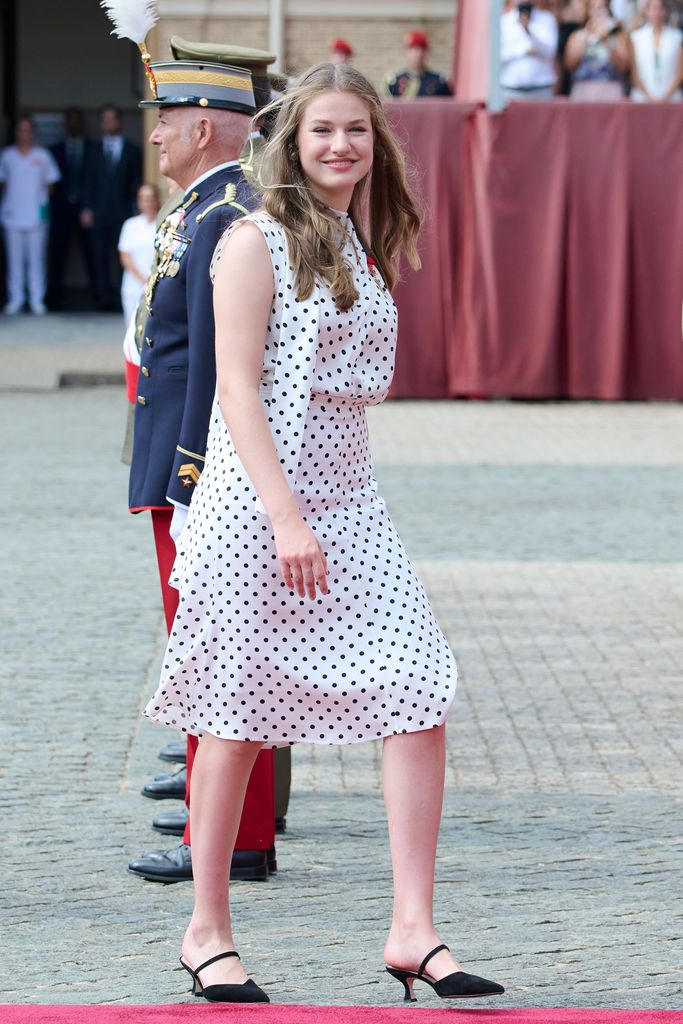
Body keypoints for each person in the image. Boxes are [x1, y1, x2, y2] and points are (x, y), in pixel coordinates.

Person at [143, 61, 505, 1005]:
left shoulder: (358, 240)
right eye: (320, 132)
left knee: (418, 690)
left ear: (374, 144)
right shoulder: (250, 239)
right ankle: (207, 930)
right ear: (290, 145)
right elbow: (235, 388)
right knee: (231, 718)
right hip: (256, 508)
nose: (339, 145)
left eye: (354, 130)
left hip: (350, 505)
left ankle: (412, 929)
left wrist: (322, 515)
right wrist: (285, 517)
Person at [125, 43, 282, 886]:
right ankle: (216, 822)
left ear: (205, 127)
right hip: (177, 462)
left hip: (196, 469)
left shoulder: (227, 213)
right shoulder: (204, 205)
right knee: (199, 650)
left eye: (165, 121)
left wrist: (192, 477)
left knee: (214, 654)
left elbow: (222, 368)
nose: (155, 138)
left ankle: (232, 841)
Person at [81, 105, 142, 311]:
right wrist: (86, 208)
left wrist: (136, 209)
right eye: (105, 119)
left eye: (112, 119)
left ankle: (118, 298)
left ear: (119, 121)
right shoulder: (93, 149)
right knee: (98, 255)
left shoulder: (132, 150)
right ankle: (101, 299)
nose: (109, 123)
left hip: (122, 211)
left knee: (121, 255)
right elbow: (87, 181)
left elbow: (135, 181)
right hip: (98, 211)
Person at [0, 115, 61, 315]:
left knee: (37, 260)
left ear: (33, 132)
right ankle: (16, 299)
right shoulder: (7, 155)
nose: (25, 133)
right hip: (12, 215)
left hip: (37, 215)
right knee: (14, 261)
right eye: (21, 129)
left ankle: (36, 300)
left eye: (28, 129)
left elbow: (51, 184)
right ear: (16, 132)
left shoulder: (42, 155)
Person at [47, 107, 96, 311]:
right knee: (58, 255)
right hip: (61, 212)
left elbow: (94, 181)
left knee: (92, 255)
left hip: (85, 211)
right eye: (70, 121)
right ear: (65, 124)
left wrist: (88, 206)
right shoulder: (54, 150)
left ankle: (98, 299)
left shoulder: (92, 148)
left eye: (77, 120)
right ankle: (53, 301)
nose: (73, 124)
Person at [565, 0, 629, 98]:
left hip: (610, 90)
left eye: (602, 7)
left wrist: (606, 42)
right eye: (594, 7)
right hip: (583, 91)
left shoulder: (618, 36)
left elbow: (623, 67)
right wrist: (586, 38)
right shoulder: (577, 36)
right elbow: (570, 65)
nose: (598, 12)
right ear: (588, 11)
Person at [118, 183, 161, 326]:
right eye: (144, 199)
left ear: (157, 200)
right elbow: (125, 256)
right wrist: (143, 279)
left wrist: (151, 280)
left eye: (151, 198)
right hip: (133, 285)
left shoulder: (163, 223)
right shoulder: (130, 225)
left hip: (156, 285)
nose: (148, 203)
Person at [500, 1, 560, 100]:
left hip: (541, 89)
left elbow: (550, 52)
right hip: (510, 90)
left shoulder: (547, 19)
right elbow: (499, 55)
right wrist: (524, 50)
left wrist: (528, 30)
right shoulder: (504, 21)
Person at [629, 0, 683, 100]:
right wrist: (649, 97)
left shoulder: (677, 37)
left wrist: (664, 97)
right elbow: (634, 74)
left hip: (672, 100)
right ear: (647, 11)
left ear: (665, 11)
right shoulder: (635, 37)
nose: (657, 13)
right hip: (642, 100)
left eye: (661, 8)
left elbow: (680, 73)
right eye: (654, 8)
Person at [387, 30, 452, 97]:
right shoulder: (395, 82)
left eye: (422, 49)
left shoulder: (439, 82)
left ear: (427, 52)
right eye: (414, 49)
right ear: (407, 51)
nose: (418, 54)